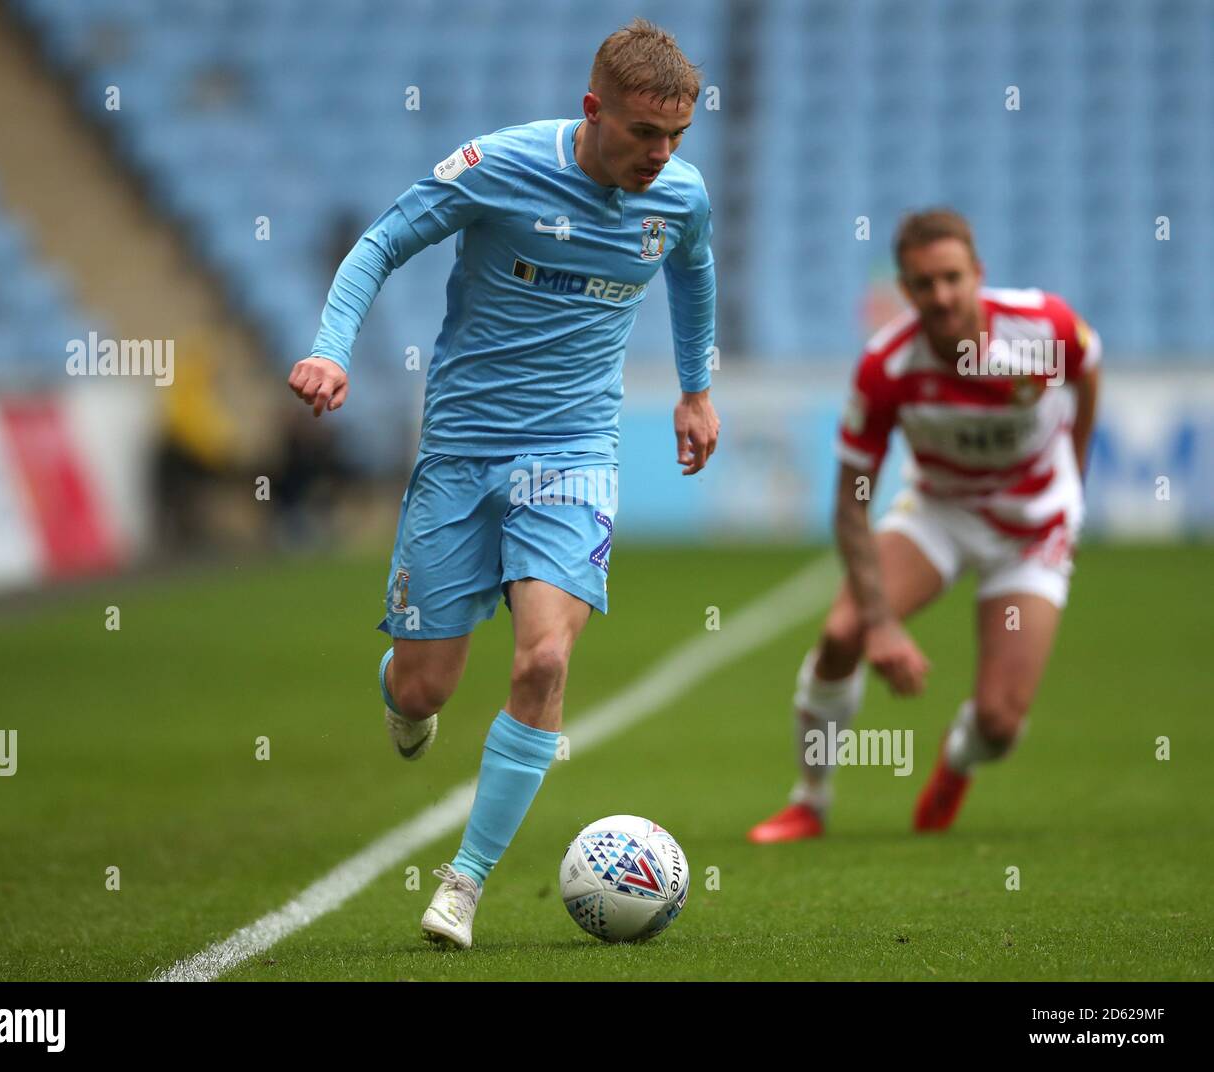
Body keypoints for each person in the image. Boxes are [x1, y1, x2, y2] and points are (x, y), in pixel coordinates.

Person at [288, 19, 719, 948]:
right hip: (460, 453)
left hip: (575, 454)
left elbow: (694, 271)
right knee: (426, 686)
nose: (663, 154)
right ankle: (402, 689)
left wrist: (695, 388)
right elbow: (378, 246)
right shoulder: (498, 166)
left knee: (544, 661)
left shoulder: (680, 196)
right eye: (645, 132)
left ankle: (464, 882)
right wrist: (330, 351)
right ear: (593, 109)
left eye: (677, 136)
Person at [748, 208, 1100, 843]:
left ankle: (957, 762)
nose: (940, 296)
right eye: (923, 284)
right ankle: (809, 800)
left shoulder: (1041, 326)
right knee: (843, 633)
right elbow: (851, 500)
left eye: (951, 278)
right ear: (905, 290)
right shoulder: (886, 367)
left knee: (998, 723)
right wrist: (883, 623)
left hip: (1033, 529)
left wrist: (1076, 472)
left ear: (977, 274)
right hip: (939, 512)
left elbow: (1088, 366)